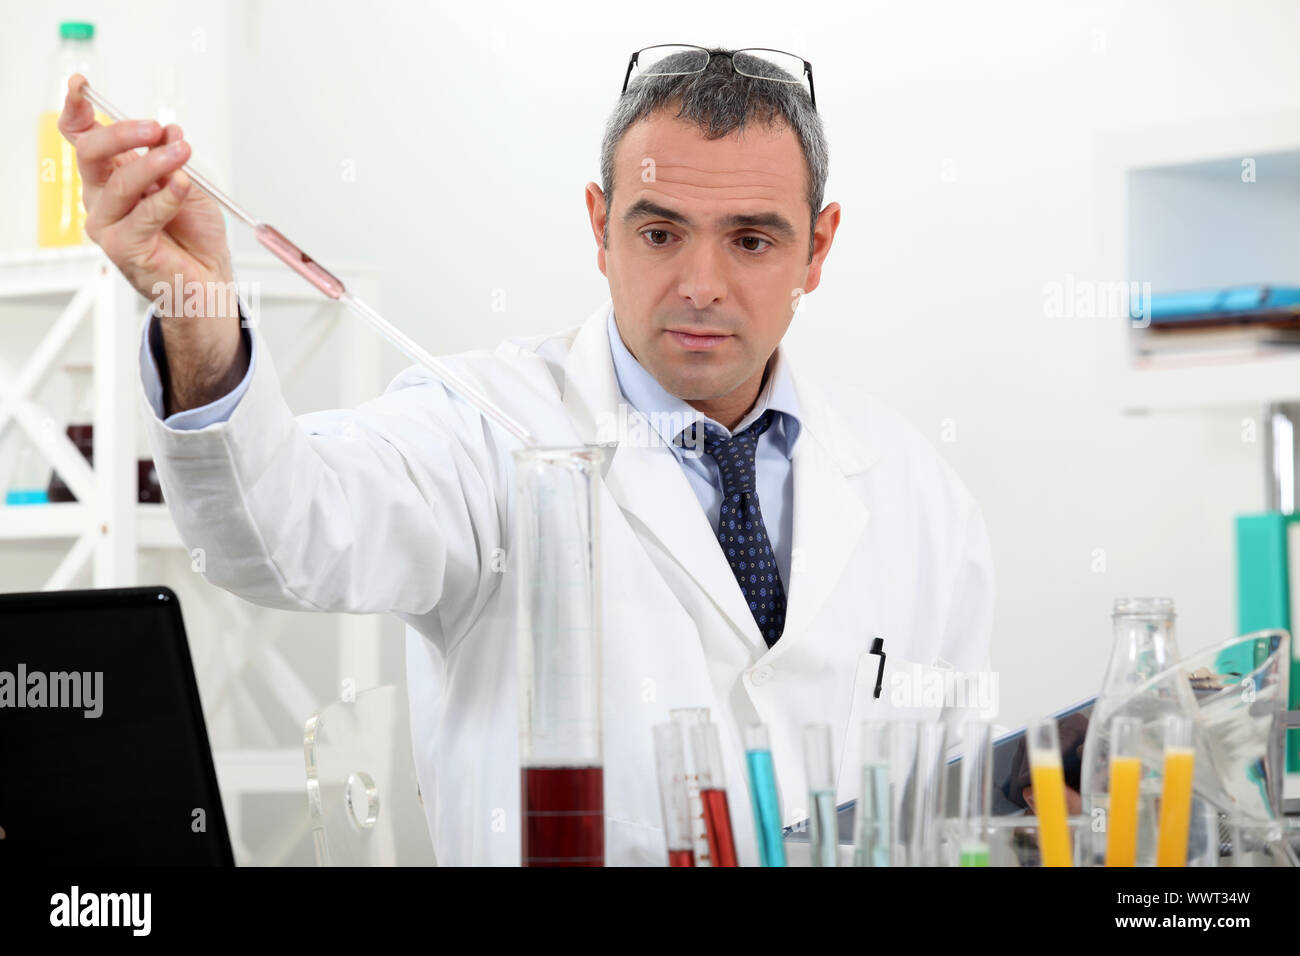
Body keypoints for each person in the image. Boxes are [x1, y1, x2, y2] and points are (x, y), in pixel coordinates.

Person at [58, 45, 995, 866]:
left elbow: (961, 795)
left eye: (752, 240)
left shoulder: (916, 490)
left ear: (817, 250)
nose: (700, 286)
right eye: (659, 232)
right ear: (600, 225)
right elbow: (280, 533)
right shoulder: (477, 427)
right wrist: (196, 311)